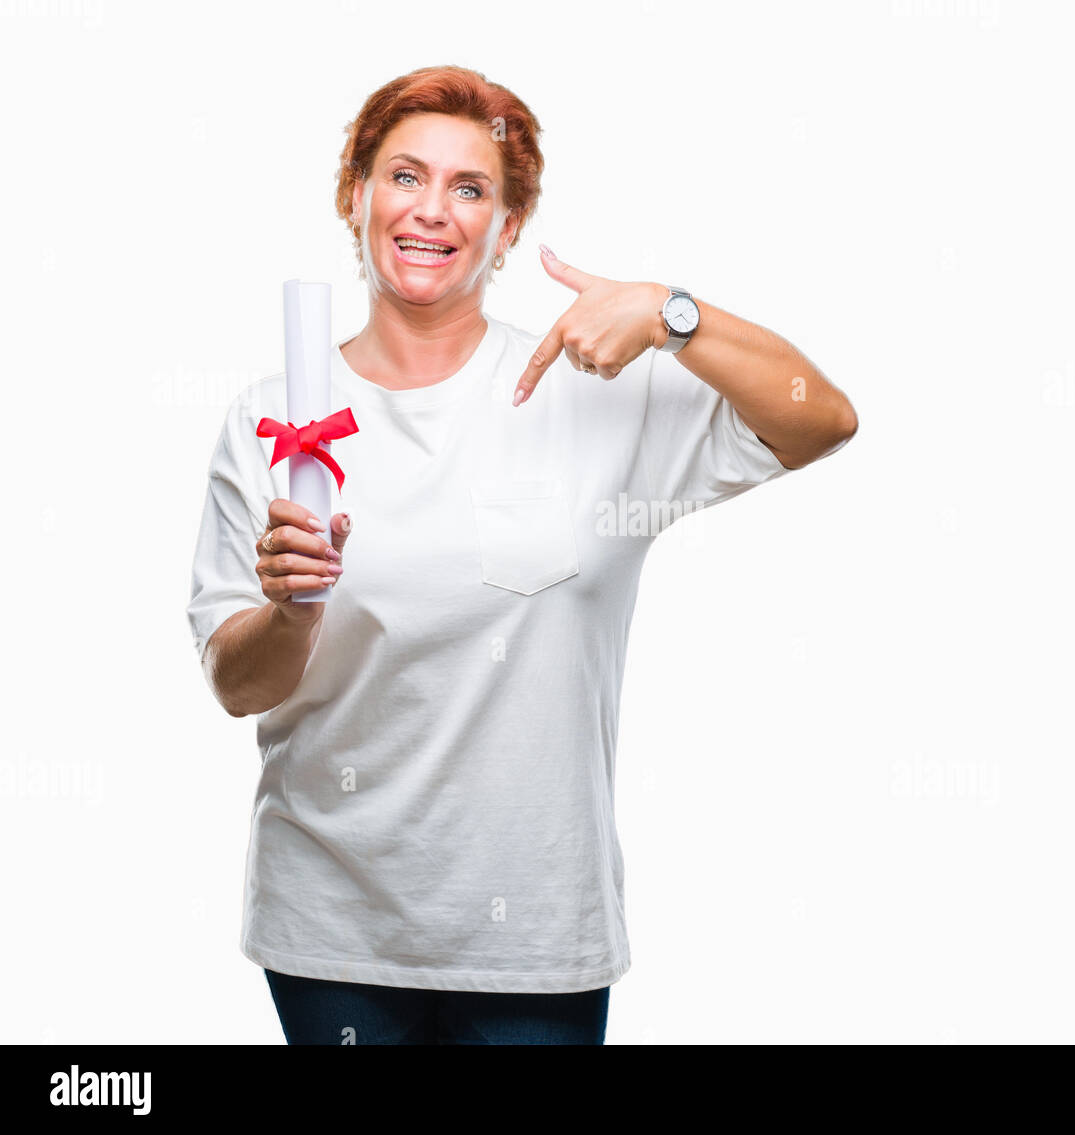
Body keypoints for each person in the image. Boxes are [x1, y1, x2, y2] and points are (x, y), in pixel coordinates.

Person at [186, 64, 857, 1045]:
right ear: (355, 196)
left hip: (536, 937)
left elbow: (821, 419)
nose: (432, 210)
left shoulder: (595, 392)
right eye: (404, 176)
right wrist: (292, 613)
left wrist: (674, 315)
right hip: (332, 935)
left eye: (470, 188)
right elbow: (235, 684)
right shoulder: (273, 419)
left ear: (507, 230)